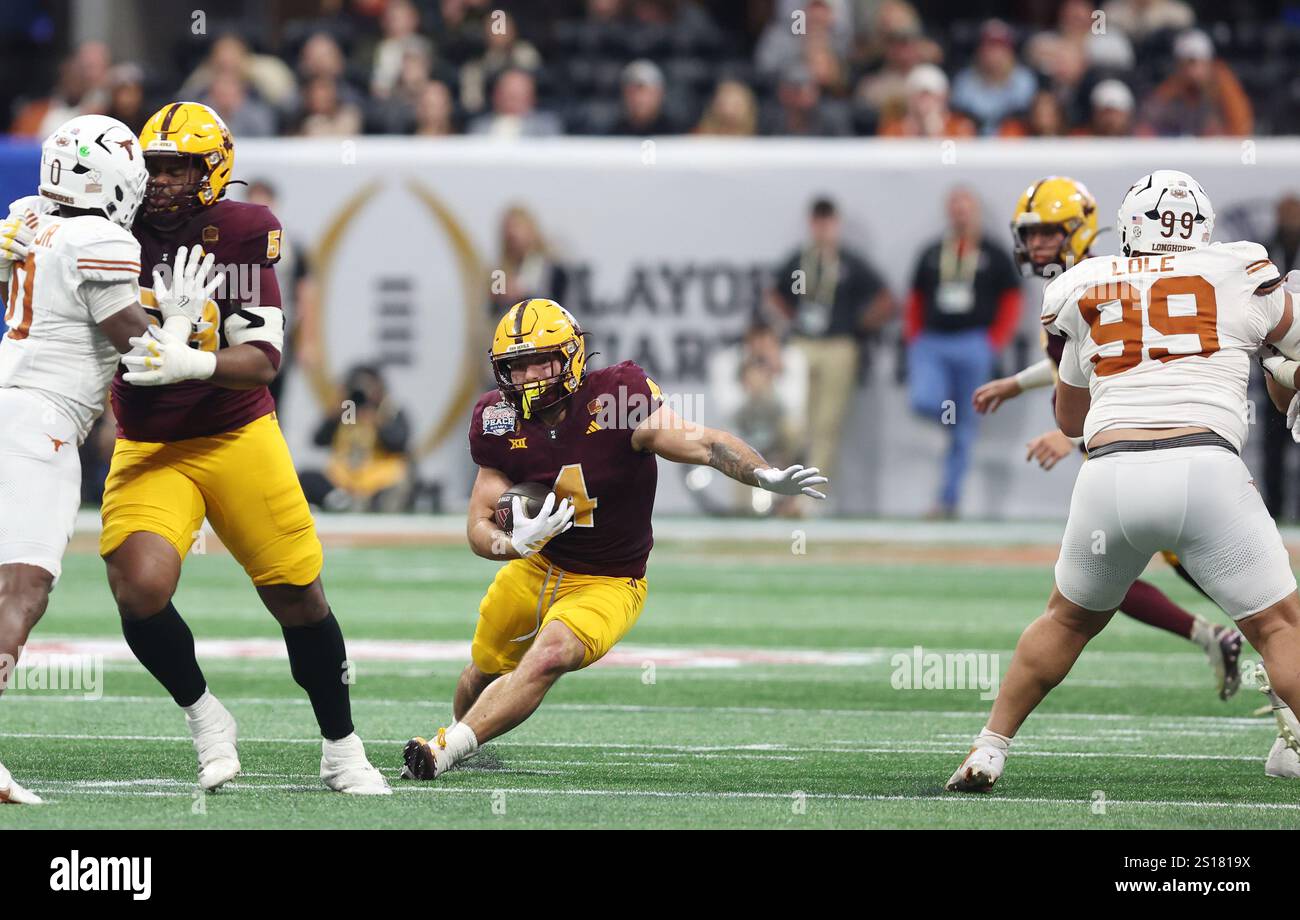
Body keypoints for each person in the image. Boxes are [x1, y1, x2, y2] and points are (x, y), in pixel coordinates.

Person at [948, 170, 1300, 792]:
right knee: (1278, 627)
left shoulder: (1081, 286)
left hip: (1109, 478)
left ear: (1130, 223)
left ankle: (989, 748)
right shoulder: (1241, 270)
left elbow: (1069, 419)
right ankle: (1288, 736)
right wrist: (1283, 375)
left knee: (1064, 621)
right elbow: (1283, 359)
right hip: (1207, 471)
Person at [400, 299, 828, 780]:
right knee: (480, 672)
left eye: (543, 360)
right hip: (537, 565)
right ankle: (460, 738)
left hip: (608, 579)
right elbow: (479, 524)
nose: (530, 376)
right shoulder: (497, 419)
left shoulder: (618, 398)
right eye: (517, 366)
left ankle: (444, 749)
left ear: (573, 356)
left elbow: (703, 443)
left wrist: (763, 474)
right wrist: (514, 545)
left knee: (551, 654)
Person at [95, 102, 388, 795]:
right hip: (151, 440)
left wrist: (191, 361)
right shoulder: (108, 226)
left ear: (213, 168)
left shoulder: (245, 228)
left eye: (177, 168)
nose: (160, 180)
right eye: (152, 167)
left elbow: (261, 359)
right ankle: (205, 717)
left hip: (235, 431)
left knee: (299, 599)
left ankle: (342, 747)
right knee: (138, 589)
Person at [972, 175, 1243, 699]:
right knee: (1103, 575)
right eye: (1029, 235)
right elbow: (1080, 360)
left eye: (1047, 234)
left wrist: (1069, 437)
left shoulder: (1098, 281)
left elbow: (1139, 372)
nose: (1035, 246)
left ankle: (1266, 678)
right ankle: (1219, 640)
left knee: (1227, 585)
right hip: (1139, 451)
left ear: (1080, 229)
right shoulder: (1081, 284)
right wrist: (1020, 382)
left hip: (1156, 442)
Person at [0, 115, 199, 803]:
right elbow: (144, 361)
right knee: (22, 590)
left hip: (10, 401)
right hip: (39, 423)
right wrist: (176, 323)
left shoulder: (28, 216)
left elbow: (28, 300)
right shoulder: (101, 237)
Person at [905, 187, 1021, 517]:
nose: (960, 214)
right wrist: (915, 338)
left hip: (973, 342)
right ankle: (950, 420)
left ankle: (948, 500)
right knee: (924, 400)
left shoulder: (993, 253)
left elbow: (1012, 299)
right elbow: (915, 298)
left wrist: (994, 340)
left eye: (965, 208)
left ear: (976, 212)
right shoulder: (932, 252)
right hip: (933, 341)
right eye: (954, 208)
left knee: (965, 429)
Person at [769, 197, 894, 484]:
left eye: (828, 221)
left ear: (836, 224)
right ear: (811, 224)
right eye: (818, 221)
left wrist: (856, 327)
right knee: (793, 419)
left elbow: (885, 300)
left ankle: (811, 495)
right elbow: (774, 295)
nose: (823, 228)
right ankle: (784, 487)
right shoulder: (800, 261)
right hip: (803, 343)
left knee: (827, 422)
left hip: (838, 344)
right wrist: (790, 323)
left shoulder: (849, 262)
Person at [300, 364, 412, 512]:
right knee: (306, 478)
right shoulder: (347, 412)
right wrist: (336, 411)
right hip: (344, 479)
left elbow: (399, 443)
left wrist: (377, 420)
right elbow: (319, 440)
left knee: (402, 478)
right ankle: (341, 500)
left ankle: (367, 503)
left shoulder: (389, 410)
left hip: (378, 478)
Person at [1139, 29, 1252, 138]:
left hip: (1222, 150)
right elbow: (1149, 118)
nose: (1188, 69)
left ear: (1207, 62)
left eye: (1193, 62)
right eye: (1182, 64)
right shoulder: (1176, 85)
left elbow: (1241, 126)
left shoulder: (1222, 82)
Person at [950, 20, 1037, 136]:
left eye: (1000, 47)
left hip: (1014, 145)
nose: (994, 54)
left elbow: (1026, 117)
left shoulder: (1024, 79)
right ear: (980, 51)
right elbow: (960, 116)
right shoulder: (964, 81)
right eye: (990, 47)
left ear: (1010, 51)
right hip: (972, 144)